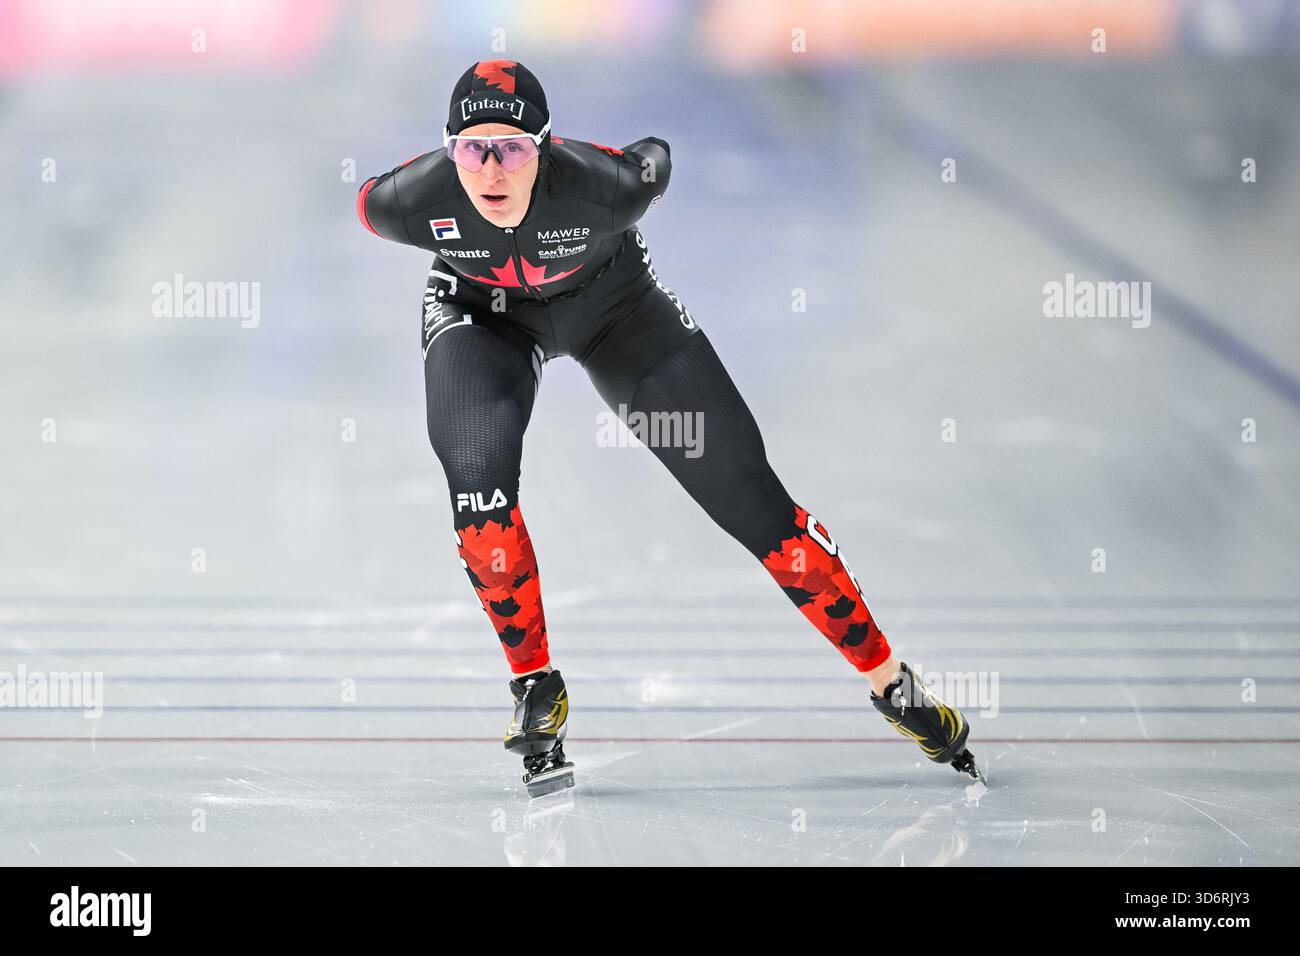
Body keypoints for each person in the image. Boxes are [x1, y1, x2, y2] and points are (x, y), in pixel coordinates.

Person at [357, 60, 984, 796]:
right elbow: (368, 196)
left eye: (515, 150)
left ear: (548, 148)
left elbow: (657, 154)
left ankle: (892, 685)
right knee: (481, 501)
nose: (491, 171)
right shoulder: (405, 202)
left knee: (759, 511)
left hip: (618, 317)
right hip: (482, 320)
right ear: (448, 149)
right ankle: (535, 686)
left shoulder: (609, 188)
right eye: (472, 149)